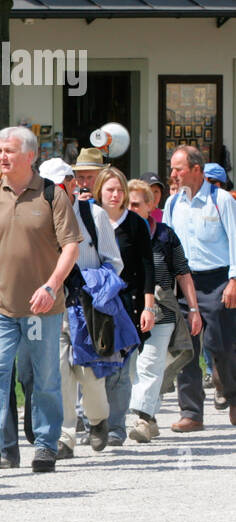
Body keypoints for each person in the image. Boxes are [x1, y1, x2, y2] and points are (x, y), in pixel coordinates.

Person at [0, 128, 82, 475]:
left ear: (30, 156)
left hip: (41, 309)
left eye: (9, 150)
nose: (2, 156)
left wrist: (52, 286)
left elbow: (71, 246)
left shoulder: (52, 195)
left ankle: (45, 444)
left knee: (43, 378)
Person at [39, 157, 124, 457]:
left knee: (88, 373)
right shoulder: (38, 217)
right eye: (48, 187)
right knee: (59, 372)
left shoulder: (94, 215)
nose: (54, 193)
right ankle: (65, 437)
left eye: (60, 185)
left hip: (87, 304)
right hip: (52, 304)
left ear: (73, 184)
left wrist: (99, 288)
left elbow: (114, 261)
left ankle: (98, 420)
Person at [165, 145, 236, 430]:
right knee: (186, 348)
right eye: (172, 168)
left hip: (217, 280)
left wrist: (234, 280)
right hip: (184, 282)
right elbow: (166, 246)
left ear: (197, 170)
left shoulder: (221, 200)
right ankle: (191, 412)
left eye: (178, 169)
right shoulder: (173, 204)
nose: (173, 174)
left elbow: (235, 241)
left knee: (222, 345)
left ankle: (233, 397)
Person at [125, 179, 200, 441]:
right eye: (127, 204)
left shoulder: (165, 235)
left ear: (150, 206)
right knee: (134, 368)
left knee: (150, 365)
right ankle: (150, 416)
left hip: (162, 312)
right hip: (128, 311)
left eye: (136, 204)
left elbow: (183, 273)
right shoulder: (117, 234)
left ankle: (143, 420)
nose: (131, 209)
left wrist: (193, 309)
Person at [95, 166, 157, 446]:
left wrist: (148, 306)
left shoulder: (134, 223)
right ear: (100, 192)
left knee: (121, 368)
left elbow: (147, 267)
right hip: (96, 302)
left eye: (120, 190)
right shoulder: (89, 219)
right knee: (94, 366)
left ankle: (116, 426)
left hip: (128, 303)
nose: (116, 195)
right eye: (110, 189)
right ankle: (94, 422)